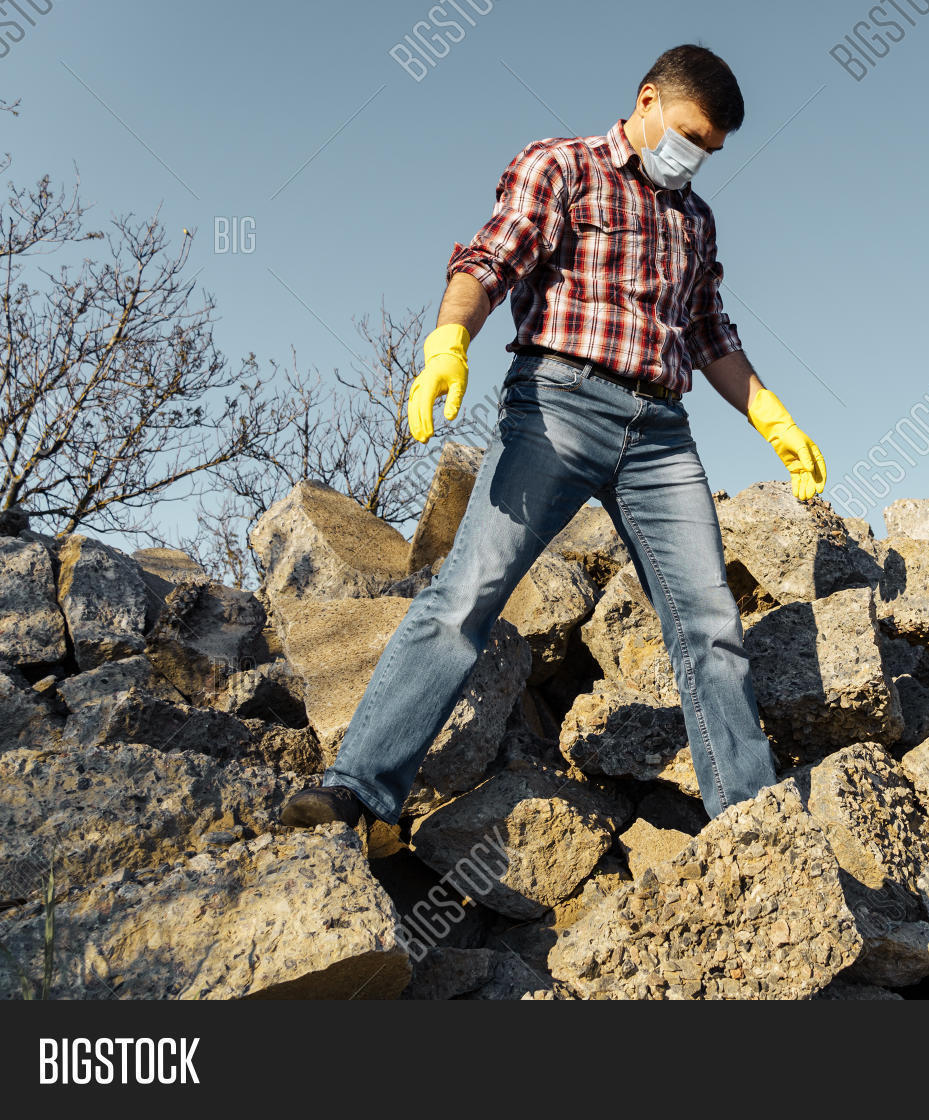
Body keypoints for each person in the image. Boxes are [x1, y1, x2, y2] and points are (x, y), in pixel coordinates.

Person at [280, 44, 827, 830]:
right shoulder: (562, 165)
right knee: (466, 596)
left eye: (709, 152)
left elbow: (709, 332)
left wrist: (772, 416)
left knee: (711, 626)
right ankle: (356, 789)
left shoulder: (696, 220)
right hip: (556, 408)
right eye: (686, 135)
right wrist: (448, 341)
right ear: (647, 102)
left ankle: (751, 825)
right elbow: (490, 259)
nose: (693, 159)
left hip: (662, 439)